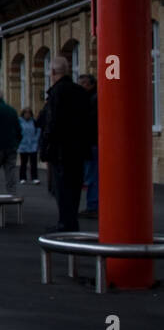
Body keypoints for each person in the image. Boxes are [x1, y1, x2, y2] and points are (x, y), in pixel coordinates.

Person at [42, 56, 92, 232]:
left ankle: (65, 224)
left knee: (61, 189)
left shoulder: (56, 93)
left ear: (54, 72)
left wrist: (46, 146)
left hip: (60, 150)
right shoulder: (81, 92)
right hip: (78, 149)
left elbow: (52, 123)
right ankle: (71, 223)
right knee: (74, 189)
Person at [0, 94, 21, 195]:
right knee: (10, 171)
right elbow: (18, 129)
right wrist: (16, 142)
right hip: (11, 145)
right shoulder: (12, 110)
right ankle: (12, 193)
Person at [78, 74, 98, 217]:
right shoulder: (91, 99)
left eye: (83, 84)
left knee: (92, 176)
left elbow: (90, 123)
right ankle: (93, 205)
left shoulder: (92, 100)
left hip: (91, 143)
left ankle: (93, 206)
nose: (80, 87)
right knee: (91, 175)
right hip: (91, 142)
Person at [17, 106, 39, 184]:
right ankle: (22, 178)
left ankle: (34, 177)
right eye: (26, 113)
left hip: (32, 145)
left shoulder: (34, 122)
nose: (27, 115)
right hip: (23, 145)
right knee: (23, 162)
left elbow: (38, 131)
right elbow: (17, 132)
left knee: (33, 162)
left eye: (29, 113)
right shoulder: (19, 122)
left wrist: (36, 140)